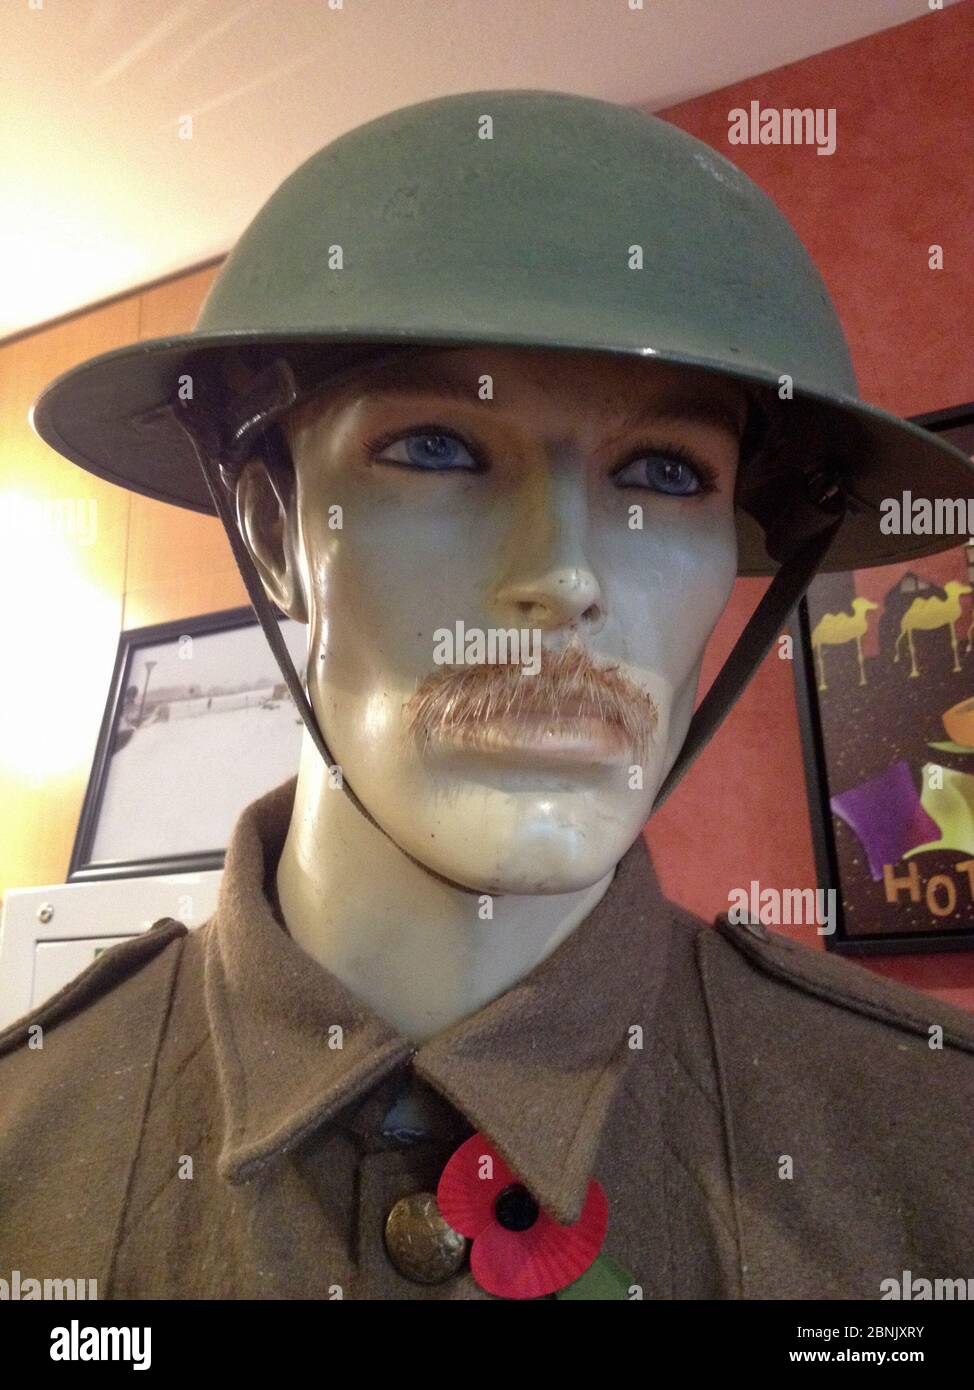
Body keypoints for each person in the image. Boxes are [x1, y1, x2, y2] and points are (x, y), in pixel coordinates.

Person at [3, 90, 973, 1300]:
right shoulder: (27, 1152)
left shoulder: (929, 1156)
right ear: (273, 530)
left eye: (663, 472)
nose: (562, 578)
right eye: (438, 448)